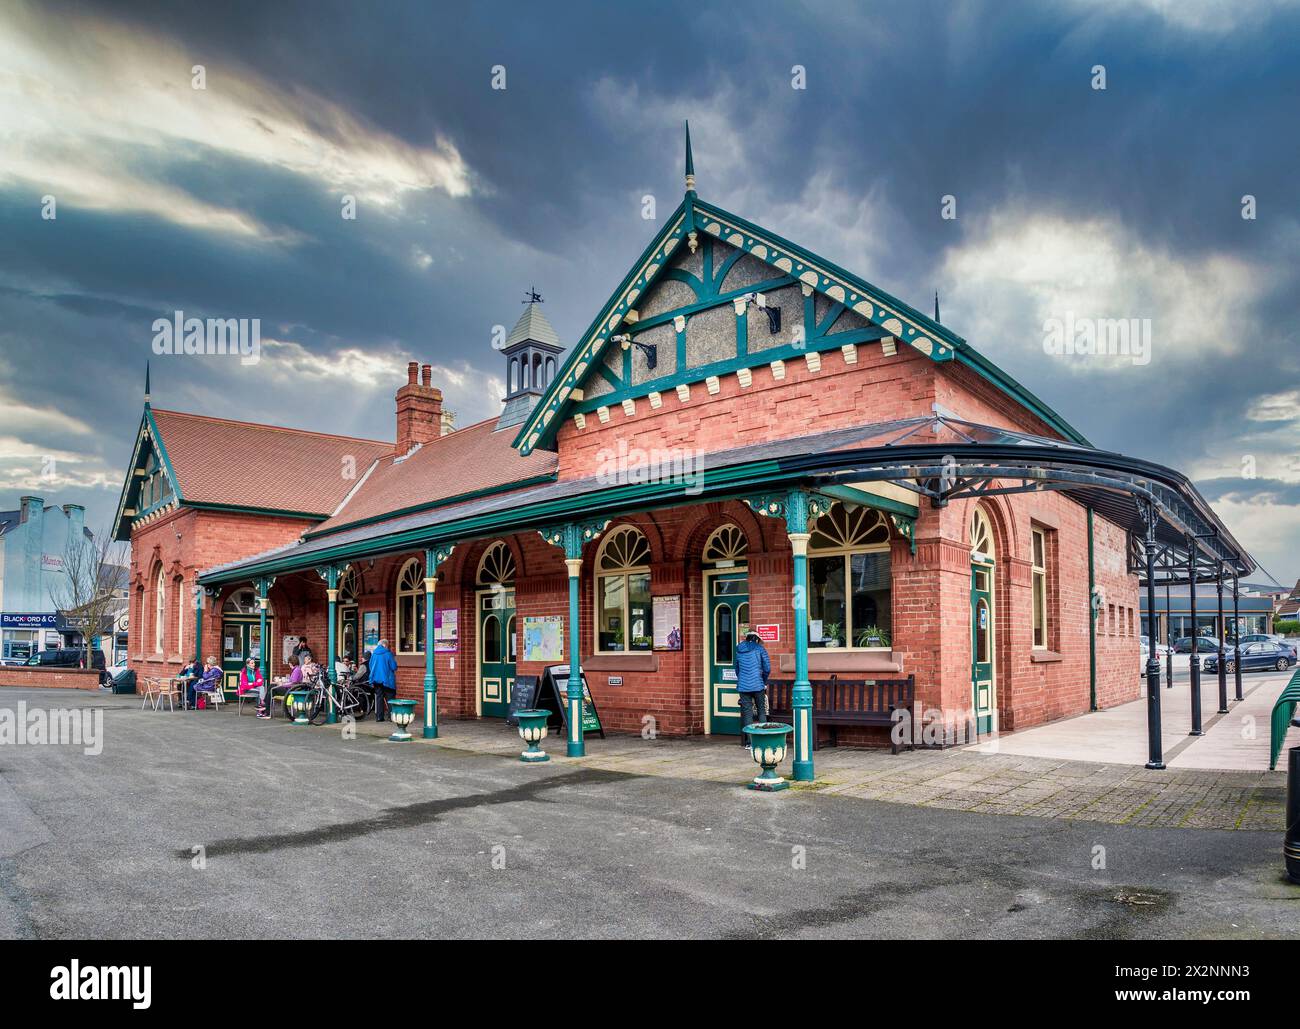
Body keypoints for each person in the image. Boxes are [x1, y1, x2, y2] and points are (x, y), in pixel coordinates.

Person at [733, 631, 771, 747]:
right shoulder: (760, 649)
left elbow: (737, 669)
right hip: (758, 685)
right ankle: (762, 740)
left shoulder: (739, 650)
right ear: (756, 639)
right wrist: (763, 680)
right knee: (761, 711)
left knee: (747, 713)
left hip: (743, 686)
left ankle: (749, 742)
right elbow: (767, 668)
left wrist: (742, 680)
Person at [368, 639, 397, 721]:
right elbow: (393, 667)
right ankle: (391, 717)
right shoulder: (388, 654)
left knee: (379, 698)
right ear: (385, 645)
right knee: (390, 698)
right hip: (387, 679)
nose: (388, 647)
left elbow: (370, 666)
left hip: (376, 679)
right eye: (388, 645)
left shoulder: (374, 654)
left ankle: (379, 717)